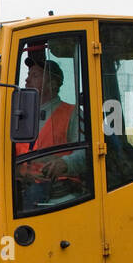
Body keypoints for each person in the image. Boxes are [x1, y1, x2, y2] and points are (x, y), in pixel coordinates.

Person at [15, 54, 87, 206]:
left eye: (35, 76)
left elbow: (86, 152)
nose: (27, 80)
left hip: (56, 194)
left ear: (53, 83)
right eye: (28, 75)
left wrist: (66, 163)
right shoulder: (19, 115)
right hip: (20, 190)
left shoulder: (72, 113)